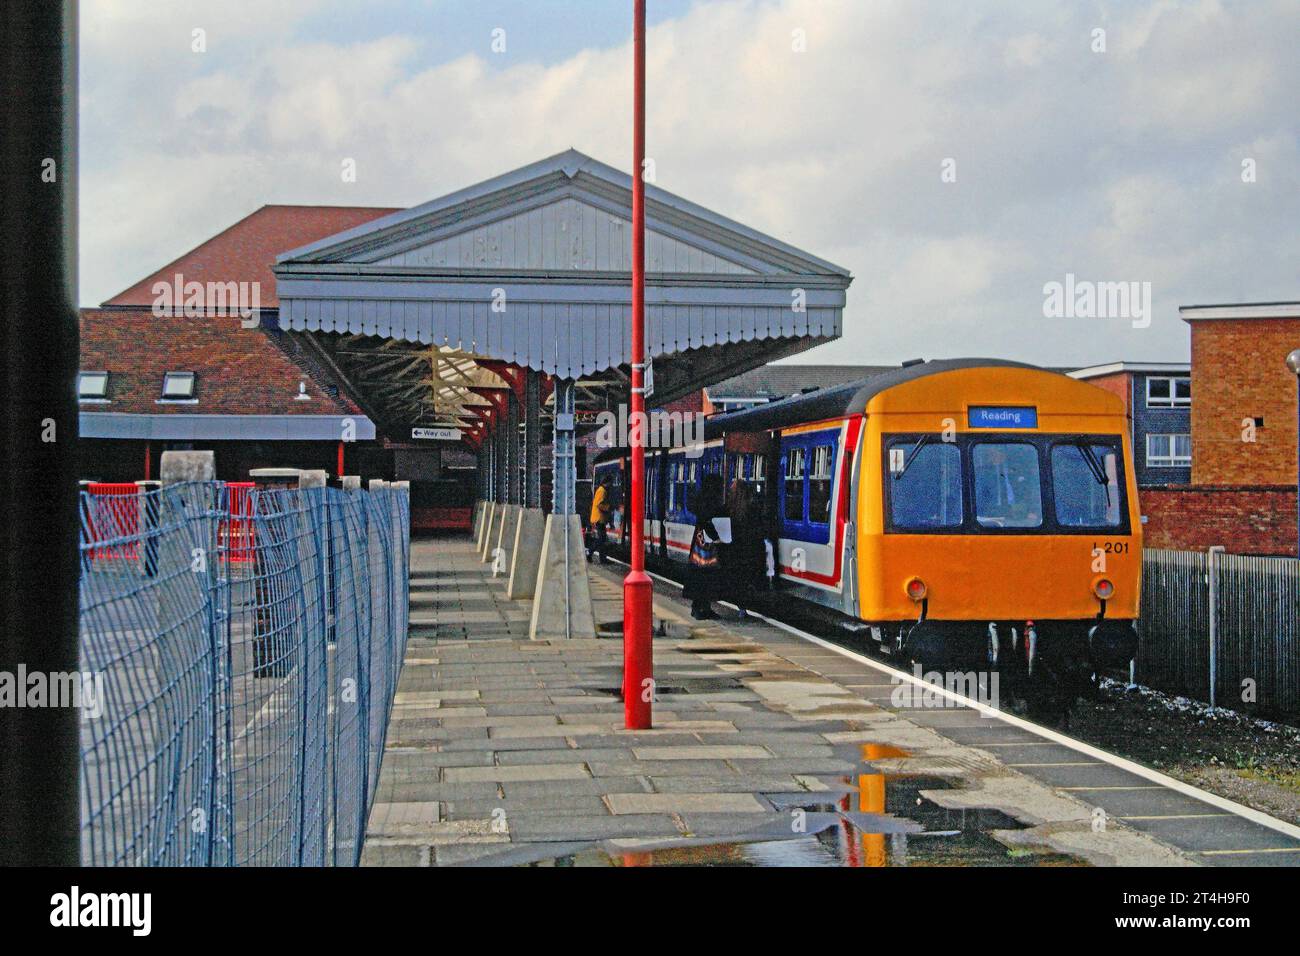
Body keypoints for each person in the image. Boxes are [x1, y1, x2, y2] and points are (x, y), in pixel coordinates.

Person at [682, 473, 725, 619]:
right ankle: (698, 608)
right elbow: (707, 521)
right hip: (705, 545)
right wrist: (716, 537)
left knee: (702, 577)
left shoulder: (702, 499)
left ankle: (704, 608)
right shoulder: (709, 502)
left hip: (700, 544)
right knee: (704, 576)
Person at [724, 479, 766, 620]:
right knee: (746, 579)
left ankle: (742, 608)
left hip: (735, 549)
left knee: (738, 581)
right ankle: (744, 608)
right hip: (749, 549)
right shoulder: (752, 506)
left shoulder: (729, 508)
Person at [588, 474, 612, 564]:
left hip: (598, 518)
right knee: (601, 539)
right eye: (610, 483)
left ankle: (602, 558)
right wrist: (608, 507)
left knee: (602, 539)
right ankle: (590, 553)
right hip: (599, 518)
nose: (611, 485)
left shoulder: (600, 490)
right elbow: (599, 504)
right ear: (607, 482)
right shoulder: (602, 491)